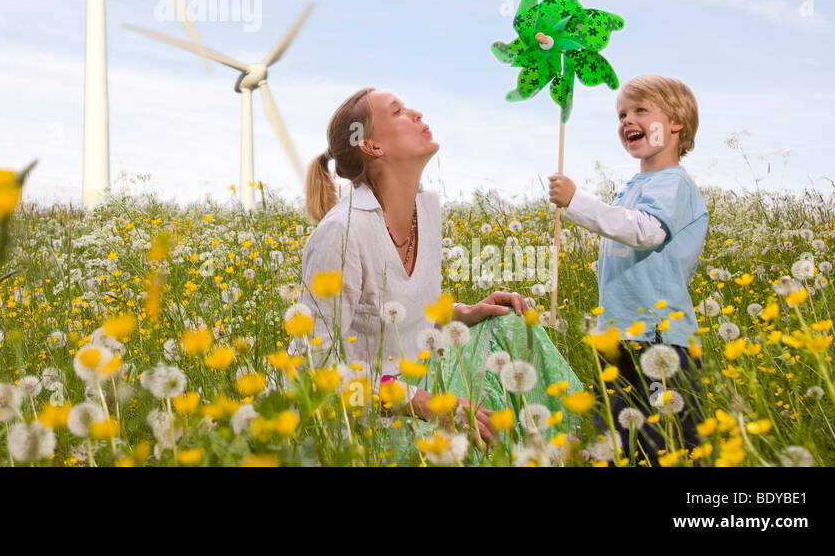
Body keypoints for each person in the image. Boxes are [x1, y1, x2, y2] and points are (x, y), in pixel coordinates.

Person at [300, 87, 582, 456]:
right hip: (368, 406)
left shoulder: (427, 208)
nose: (416, 113)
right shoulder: (342, 232)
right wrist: (427, 404)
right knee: (454, 442)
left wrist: (464, 313)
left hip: (424, 371)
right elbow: (313, 363)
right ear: (372, 146)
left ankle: (567, 448)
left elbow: (405, 314)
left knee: (510, 324)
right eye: (398, 111)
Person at [548, 74, 708, 466]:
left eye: (640, 110)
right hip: (618, 334)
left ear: (676, 123)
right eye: (621, 114)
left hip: (659, 334)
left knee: (668, 444)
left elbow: (647, 231)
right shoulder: (635, 186)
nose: (626, 120)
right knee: (621, 441)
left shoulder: (673, 184)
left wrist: (577, 202)